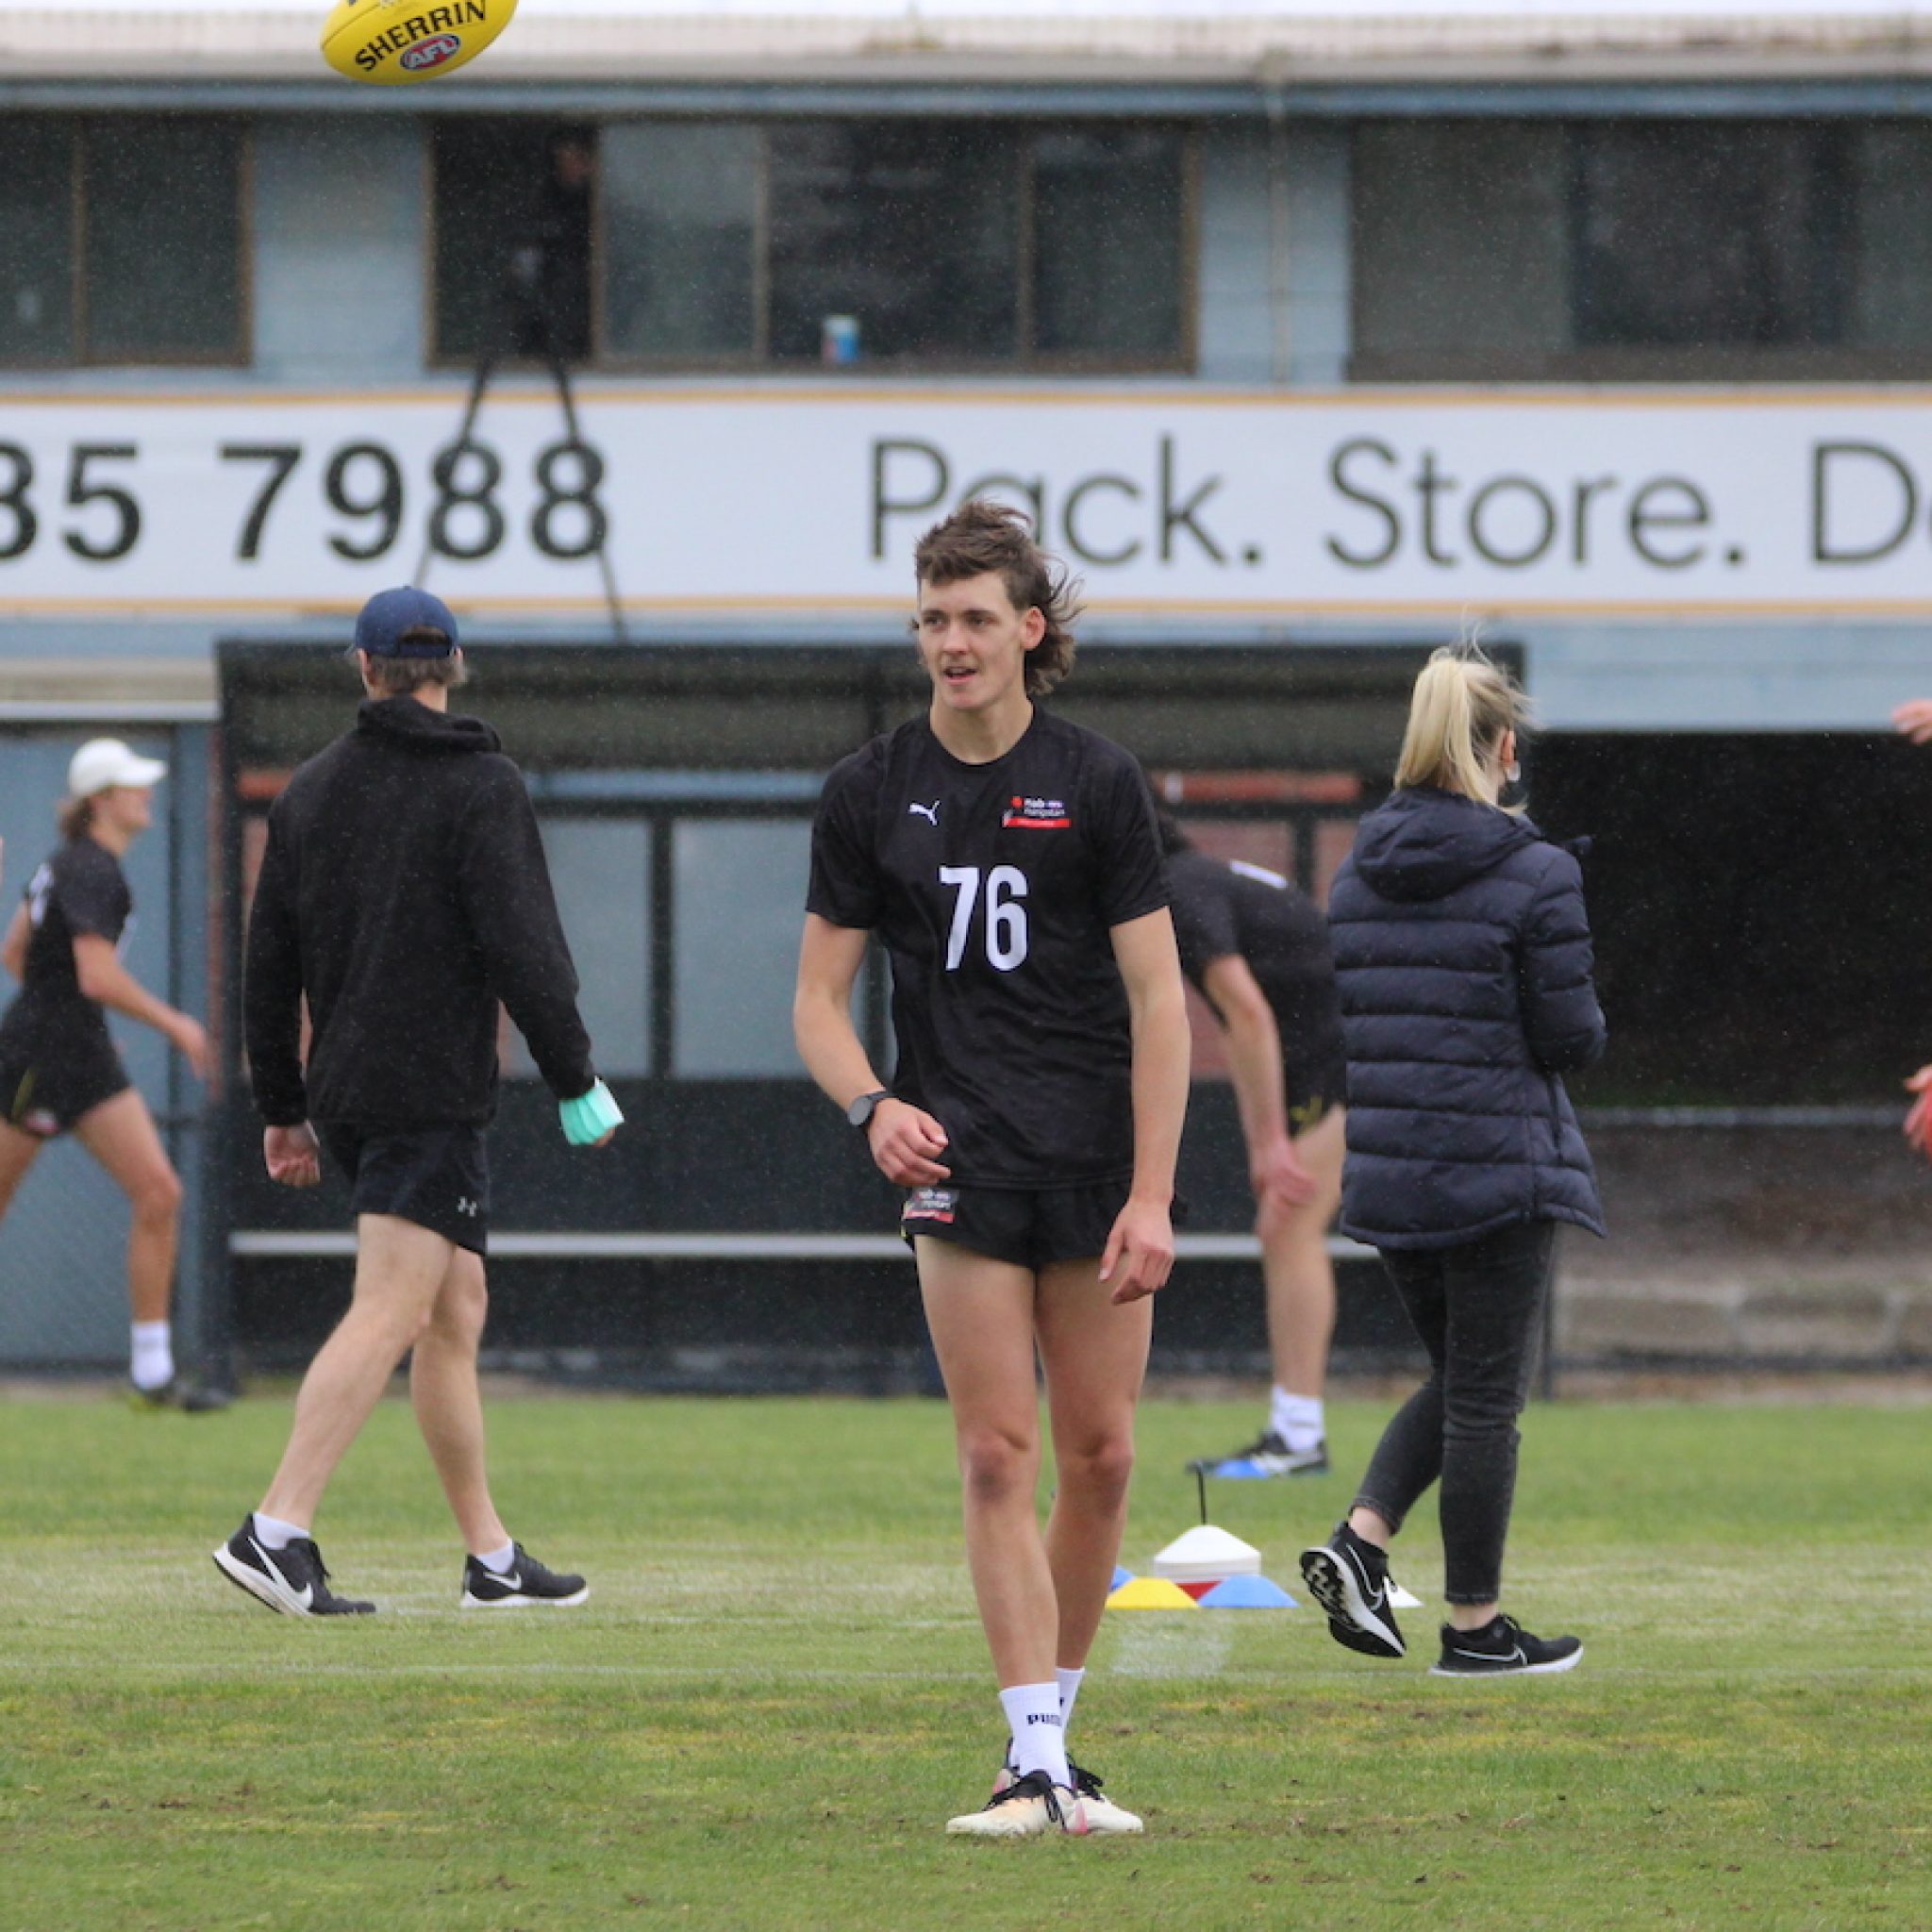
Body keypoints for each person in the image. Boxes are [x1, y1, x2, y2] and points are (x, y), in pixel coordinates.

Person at [793, 502, 1191, 1838]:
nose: (950, 641)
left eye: (974, 618)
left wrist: (1152, 1193)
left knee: (1105, 1453)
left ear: (1030, 631)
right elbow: (815, 1002)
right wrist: (870, 1108)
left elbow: (1161, 1001)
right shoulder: (866, 791)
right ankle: (1027, 1758)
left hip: (1091, 1165)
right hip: (961, 1166)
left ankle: (1061, 1749)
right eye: (931, 617)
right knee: (993, 1449)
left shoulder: (1100, 782)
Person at [213, 587, 624, 1619]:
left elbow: (269, 965)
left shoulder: (308, 791)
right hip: (427, 1088)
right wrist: (573, 1072)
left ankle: (489, 1557)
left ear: (362, 667)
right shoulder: (482, 784)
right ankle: (276, 1529)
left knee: (454, 1306)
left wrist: (281, 1102)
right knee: (394, 1303)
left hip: (354, 1087)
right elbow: (524, 945)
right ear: (456, 664)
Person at [1298, 644, 1605, 1678]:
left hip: (1390, 1166)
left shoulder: (1356, 871)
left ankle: (1362, 1539)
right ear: (1501, 748)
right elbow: (1566, 1037)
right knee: (1484, 1397)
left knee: (1462, 1374)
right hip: (1498, 1164)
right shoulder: (1536, 870)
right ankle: (1474, 1629)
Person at [0, 740, 216, 1408]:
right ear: (100, 801)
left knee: (159, 1192)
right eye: (132, 786)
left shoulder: (69, 865)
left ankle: (151, 1373)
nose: (145, 794)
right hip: (37, 1056)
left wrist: (73, 1020)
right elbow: (93, 973)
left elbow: (16, 954)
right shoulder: (91, 868)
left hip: (77, 1050)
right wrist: (176, 1024)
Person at [1154, 808, 1347, 1478]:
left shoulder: (1176, 888)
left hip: (1359, 1054)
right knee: (1285, 1225)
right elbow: (1242, 1032)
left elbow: (1248, 1013)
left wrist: (1271, 1145)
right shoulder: (1199, 879)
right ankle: (1295, 1432)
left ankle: (1298, 1438)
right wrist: (1261, 1138)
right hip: (1331, 1058)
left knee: (1289, 1224)